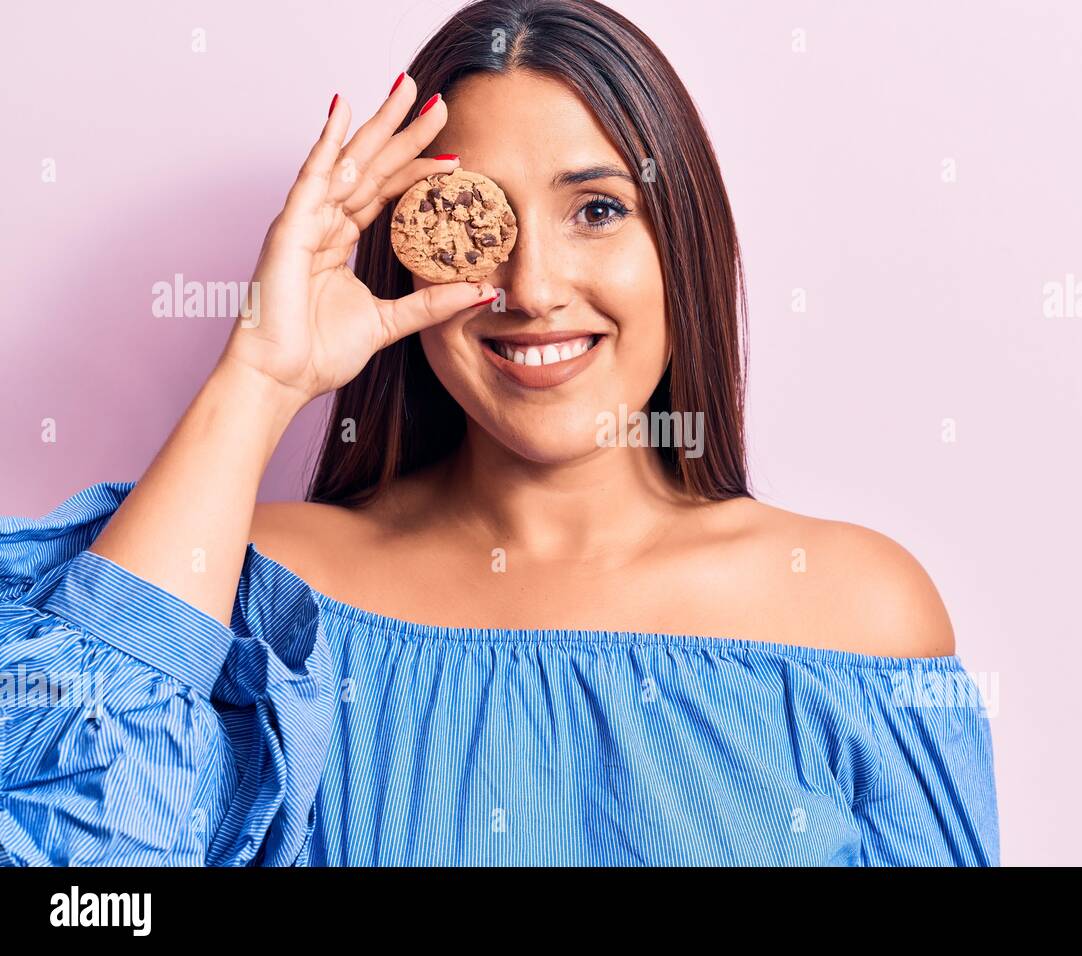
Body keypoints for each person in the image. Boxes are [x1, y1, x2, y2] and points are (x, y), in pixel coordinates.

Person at [0, 0, 999, 866]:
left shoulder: (855, 612)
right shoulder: (261, 592)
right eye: (479, 215)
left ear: (682, 238)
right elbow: (82, 862)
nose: (530, 288)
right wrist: (260, 378)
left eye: (596, 209)